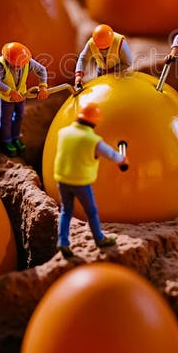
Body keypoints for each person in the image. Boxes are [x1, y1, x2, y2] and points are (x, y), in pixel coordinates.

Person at [53, 102, 126, 258]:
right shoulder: (92, 139)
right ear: (94, 121)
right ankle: (99, 239)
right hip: (80, 182)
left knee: (66, 211)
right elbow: (111, 154)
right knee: (91, 211)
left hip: (62, 179)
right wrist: (122, 160)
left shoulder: (64, 132)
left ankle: (63, 241)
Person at [0, 41, 48, 156]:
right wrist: (10, 92)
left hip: (22, 96)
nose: (20, 66)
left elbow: (42, 70)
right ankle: (6, 141)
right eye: (17, 65)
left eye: (22, 64)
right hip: (7, 99)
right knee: (6, 119)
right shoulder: (1, 65)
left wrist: (43, 86)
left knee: (19, 116)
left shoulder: (26, 61)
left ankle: (15, 137)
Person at [74, 24, 132, 91]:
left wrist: (113, 70)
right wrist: (79, 75)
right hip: (101, 72)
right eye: (100, 48)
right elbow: (83, 59)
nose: (103, 52)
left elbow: (128, 62)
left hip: (119, 73)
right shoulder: (91, 43)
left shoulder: (120, 42)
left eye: (106, 48)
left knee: (119, 91)